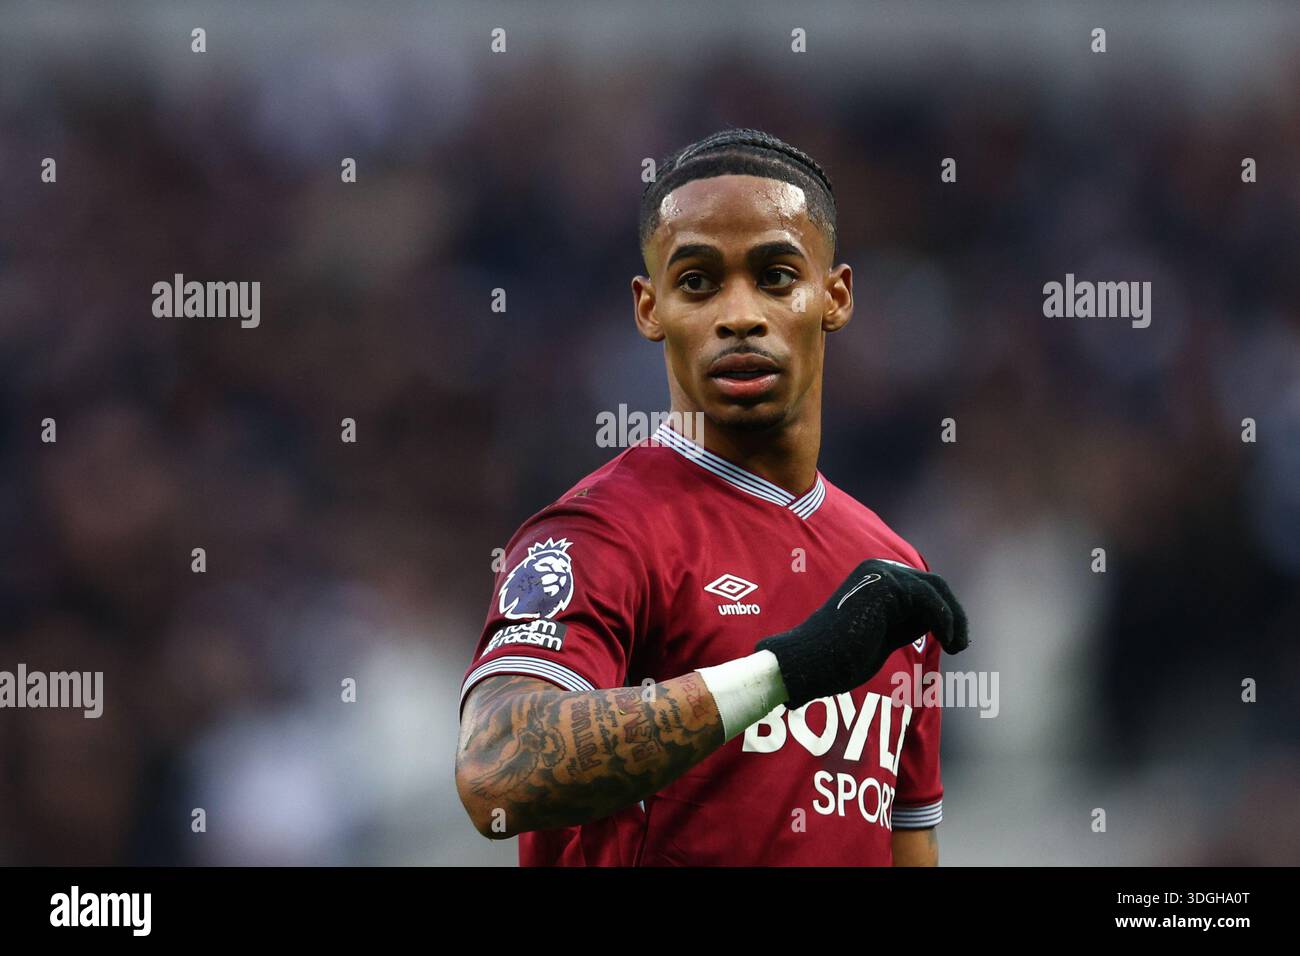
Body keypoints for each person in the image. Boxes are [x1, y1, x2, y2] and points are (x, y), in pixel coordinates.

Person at [455, 128, 969, 866]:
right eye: (697, 281)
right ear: (649, 307)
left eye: (776, 276)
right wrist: (783, 672)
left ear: (836, 295)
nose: (739, 315)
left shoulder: (889, 571)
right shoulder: (597, 536)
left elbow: (905, 845)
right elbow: (494, 772)